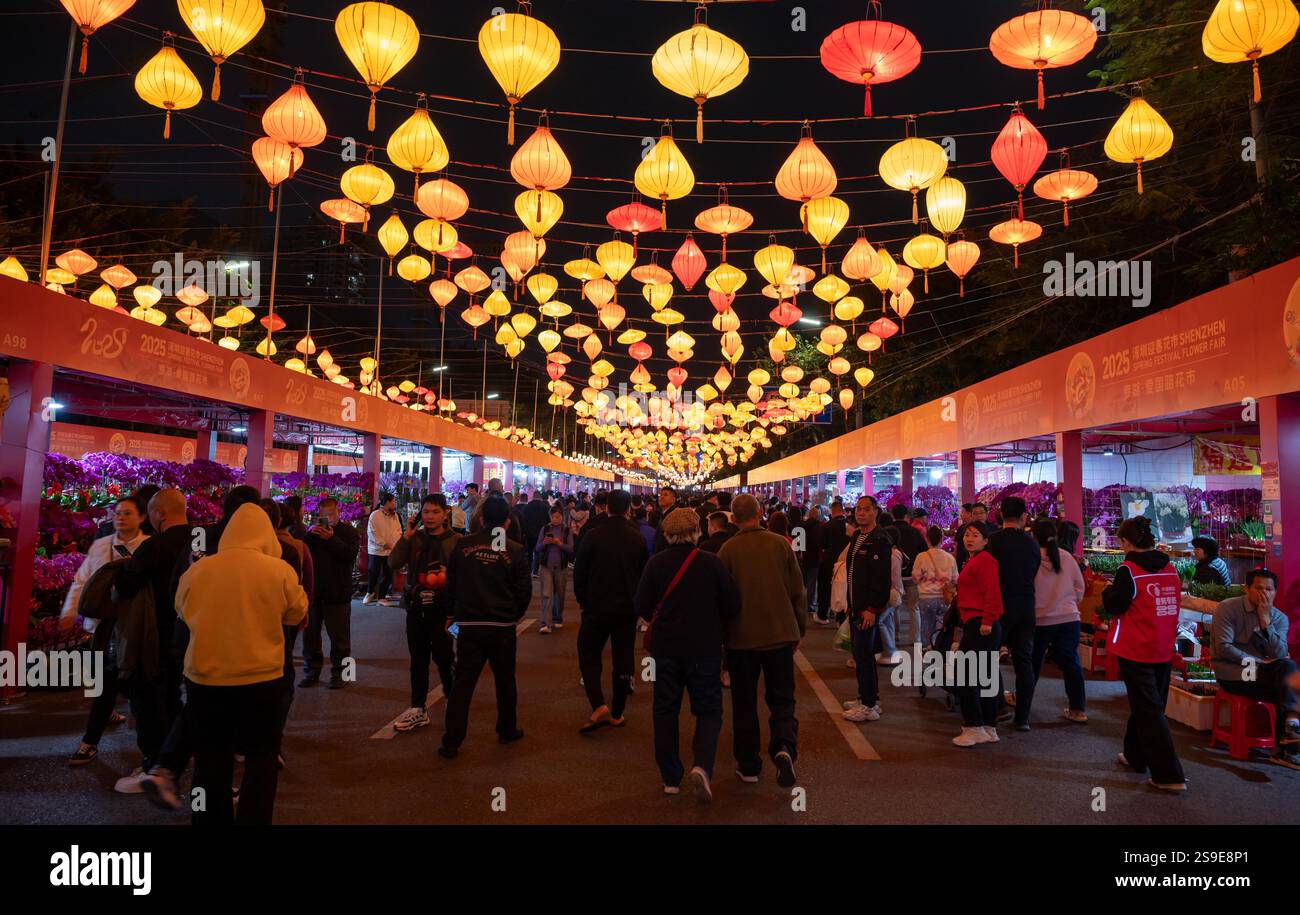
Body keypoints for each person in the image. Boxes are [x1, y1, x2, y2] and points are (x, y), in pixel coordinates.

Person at [174, 503, 308, 824]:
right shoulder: (279, 570)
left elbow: (181, 609)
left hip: (205, 679)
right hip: (261, 679)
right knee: (261, 759)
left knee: (209, 760)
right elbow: (296, 612)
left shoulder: (199, 569)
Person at [636, 508, 740, 801]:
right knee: (708, 710)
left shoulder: (656, 564)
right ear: (697, 532)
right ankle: (702, 765)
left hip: (665, 649)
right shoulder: (712, 563)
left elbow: (642, 605)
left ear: (667, 534)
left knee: (664, 708)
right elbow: (731, 604)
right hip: (704, 648)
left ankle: (670, 777)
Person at [716, 494, 806, 787]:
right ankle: (783, 747)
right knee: (782, 699)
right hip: (780, 635)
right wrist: (798, 629)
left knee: (744, 703)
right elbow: (798, 591)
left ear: (733, 517)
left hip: (742, 640)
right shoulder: (780, 544)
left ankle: (749, 764)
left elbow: (722, 600)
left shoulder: (728, 550)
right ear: (760, 512)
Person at [109, 488, 191, 794]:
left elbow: (126, 585)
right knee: (175, 698)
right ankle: (171, 761)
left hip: (155, 635)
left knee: (149, 700)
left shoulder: (154, 546)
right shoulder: (204, 543)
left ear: (159, 515)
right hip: (191, 636)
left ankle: (154, 765)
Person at [439, 497, 531, 759]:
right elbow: (524, 590)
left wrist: (451, 613)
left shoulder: (463, 545)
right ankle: (506, 729)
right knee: (505, 680)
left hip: (470, 625)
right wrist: (513, 615)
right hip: (501, 626)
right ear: (507, 522)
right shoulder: (514, 549)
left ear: (480, 519)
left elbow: (451, 584)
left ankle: (452, 741)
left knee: (463, 683)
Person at [62, 496, 149, 766]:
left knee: (135, 685)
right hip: (106, 626)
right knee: (105, 681)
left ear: (142, 518)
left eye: (128, 513)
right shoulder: (101, 546)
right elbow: (82, 580)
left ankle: (151, 753)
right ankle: (90, 741)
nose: (120, 517)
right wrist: (69, 612)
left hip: (135, 626)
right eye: (118, 513)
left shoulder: (148, 548)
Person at [1104, 516, 1186, 791]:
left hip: (1135, 647)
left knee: (1149, 710)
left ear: (1127, 542)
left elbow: (1116, 604)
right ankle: (1135, 755)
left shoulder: (1128, 570)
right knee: (1150, 705)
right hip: (1163, 646)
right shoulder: (1171, 568)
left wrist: (1107, 593)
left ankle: (1169, 775)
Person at [572, 490, 649, 733]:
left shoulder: (593, 535)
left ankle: (598, 705)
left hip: (596, 606)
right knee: (623, 657)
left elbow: (579, 572)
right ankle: (617, 712)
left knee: (589, 654)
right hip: (626, 608)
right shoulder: (636, 538)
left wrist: (583, 600)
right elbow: (643, 573)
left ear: (607, 508)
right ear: (629, 509)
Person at [1211, 569, 1300, 768]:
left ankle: (1289, 733)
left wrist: (1265, 622)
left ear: (1275, 592)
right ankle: (1287, 745)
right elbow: (1224, 649)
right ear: (1247, 589)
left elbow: (1279, 653)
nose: (1264, 593)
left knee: (1287, 672)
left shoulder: (1278, 618)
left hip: (1265, 672)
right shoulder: (1228, 608)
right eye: (1258, 588)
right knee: (1287, 684)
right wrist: (1257, 661)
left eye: (1269, 589)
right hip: (1234, 670)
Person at [388, 494, 460, 732]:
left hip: (443, 612)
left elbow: (463, 578)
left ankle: (453, 697)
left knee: (443, 657)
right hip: (416, 609)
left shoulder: (455, 541)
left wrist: (456, 611)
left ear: (445, 513)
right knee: (418, 660)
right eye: (426, 512)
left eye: (435, 512)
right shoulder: (414, 539)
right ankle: (418, 708)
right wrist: (406, 536)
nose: (429, 517)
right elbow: (394, 563)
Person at [985, 496, 1041, 732]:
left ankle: (996, 708)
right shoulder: (1032, 543)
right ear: (1023, 517)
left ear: (1000, 516)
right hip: (1026, 606)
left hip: (998, 606)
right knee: (1023, 661)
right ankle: (1023, 718)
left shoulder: (993, 541)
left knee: (988, 656)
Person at [952, 522, 1005, 747]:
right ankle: (988, 727)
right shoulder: (975, 560)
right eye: (966, 535)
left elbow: (991, 591)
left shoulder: (985, 561)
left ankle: (974, 726)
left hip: (981, 624)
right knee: (984, 677)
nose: (969, 538)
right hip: (979, 623)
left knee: (965, 675)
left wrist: (987, 620)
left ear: (985, 540)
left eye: (975, 535)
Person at [1030, 520, 1087, 724]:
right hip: (1069, 619)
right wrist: (1070, 603)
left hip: (1039, 620)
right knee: (1071, 663)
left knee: (1033, 663)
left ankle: (1023, 702)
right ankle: (1078, 710)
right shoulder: (1067, 557)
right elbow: (1080, 587)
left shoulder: (1032, 558)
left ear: (1034, 536)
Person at [842, 496, 893, 723]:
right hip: (856, 606)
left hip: (867, 609)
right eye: (858, 509)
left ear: (876, 512)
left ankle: (869, 705)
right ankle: (866, 697)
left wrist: (872, 609)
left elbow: (881, 579)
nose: (861, 513)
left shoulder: (879, 539)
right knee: (861, 654)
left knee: (863, 654)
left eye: (866, 510)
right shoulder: (857, 536)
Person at [302, 497, 361, 690]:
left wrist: (331, 539)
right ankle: (311, 671)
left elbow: (350, 554)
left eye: (331, 513)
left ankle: (343, 674)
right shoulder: (313, 534)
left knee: (341, 638)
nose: (328, 518)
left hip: (339, 593)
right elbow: (303, 552)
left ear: (338, 512)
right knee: (311, 636)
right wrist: (310, 534)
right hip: (314, 592)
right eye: (324, 515)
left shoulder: (349, 532)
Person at [911, 524, 957, 650]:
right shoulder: (950, 557)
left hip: (926, 597)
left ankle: (927, 647)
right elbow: (955, 579)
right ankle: (939, 646)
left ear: (927, 539)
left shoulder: (921, 557)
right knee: (942, 624)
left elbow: (915, 577)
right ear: (942, 539)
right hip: (945, 597)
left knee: (926, 625)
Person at [888, 504, 928, 647]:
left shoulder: (888, 532)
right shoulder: (914, 531)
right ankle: (915, 639)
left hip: (894, 576)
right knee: (914, 607)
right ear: (906, 516)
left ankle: (895, 635)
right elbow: (924, 551)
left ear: (892, 515)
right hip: (912, 575)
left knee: (893, 607)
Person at [534, 505, 573, 633]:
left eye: (558, 516)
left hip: (561, 566)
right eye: (553, 517)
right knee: (546, 594)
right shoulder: (545, 529)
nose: (555, 519)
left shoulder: (567, 530)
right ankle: (545, 623)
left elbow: (571, 549)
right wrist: (544, 543)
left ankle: (557, 618)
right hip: (546, 566)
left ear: (562, 516)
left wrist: (559, 543)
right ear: (550, 517)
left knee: (559, 594)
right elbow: (537, 548)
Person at [365, 492, 402, 606]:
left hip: (390, 550)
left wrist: (393, 544)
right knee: (373, 572)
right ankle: (370, 592)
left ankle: (382, 597)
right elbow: (372, 532)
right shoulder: (375, 515)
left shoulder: (395, 516)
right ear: (387, 502)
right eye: (394, 501)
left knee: (388, 574)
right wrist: (383, 544)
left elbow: (399, 531)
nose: (395, 504)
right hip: (376, 550)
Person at [817, 499, 849, 626]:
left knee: (826, 588)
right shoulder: (850, 527)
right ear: (842, 510)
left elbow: (821, 545)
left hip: (829, 562)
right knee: (844, 589)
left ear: (832, 511)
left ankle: (823, 614)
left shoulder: (827, 526)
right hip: (846, 563)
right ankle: (841, 618)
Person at [793, 504, 824, 621]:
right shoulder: (820, 527)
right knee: (811, 583)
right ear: (818, 516)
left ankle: (798, 602)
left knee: (801, 582)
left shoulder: (800, 526)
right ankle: (809, 605)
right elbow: (820, 544)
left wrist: (800, 552)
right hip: (814, 558)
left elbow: (796, 544)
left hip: (801, 558)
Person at [521, 489, 551, 575]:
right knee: (538, 552)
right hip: (540, 532)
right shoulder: (544, 507)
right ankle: (535, 571)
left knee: (530, 551)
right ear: (540, 496)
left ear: (533, 496)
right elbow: (547, 520)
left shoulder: (528, 506)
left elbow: (524, 520)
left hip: (529, 533)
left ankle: (529, 569)